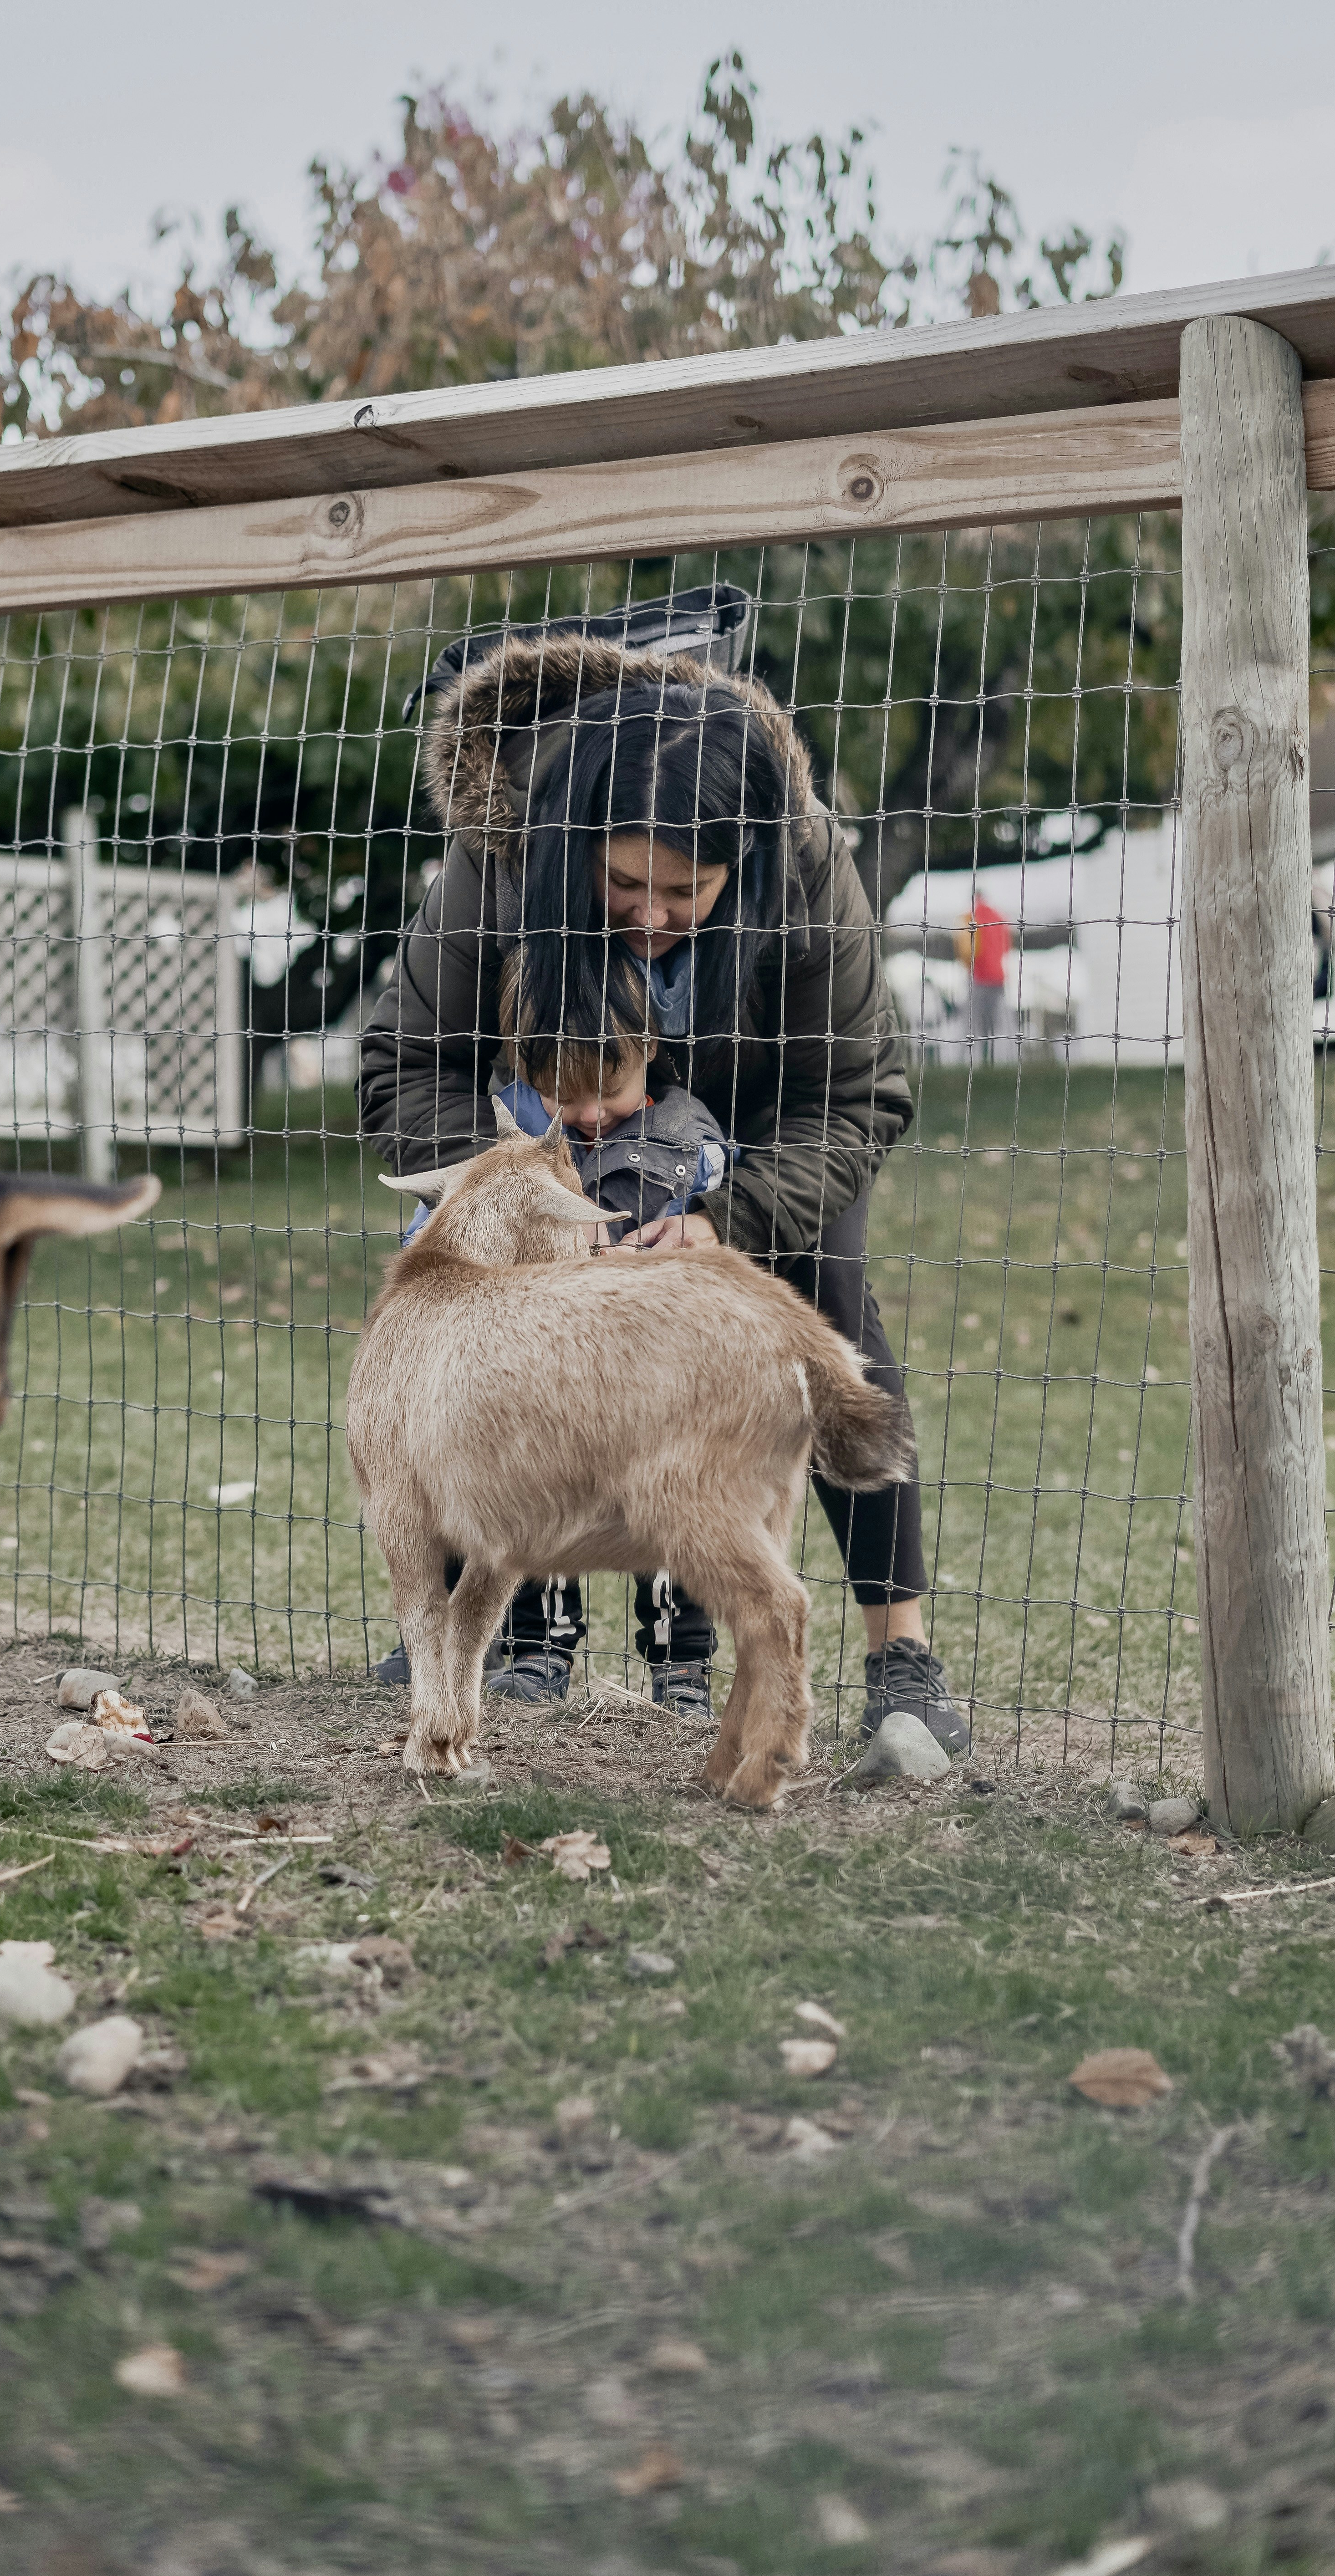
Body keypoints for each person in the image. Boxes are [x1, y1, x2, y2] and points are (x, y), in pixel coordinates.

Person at [358, 609, 970, 1752]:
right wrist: (511, 1188)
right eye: (623, 882)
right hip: (551, 1121)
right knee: (454, 1303)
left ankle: (903, 1657)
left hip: (747, 1144)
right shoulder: (499, 858)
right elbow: (404, 1065)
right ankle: (461, 1620)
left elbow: (863, 1096)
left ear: (740, 869)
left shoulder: (805, 872)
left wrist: (721, 1215)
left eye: (684, 893)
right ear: (571, 841)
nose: (648, 914)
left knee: (826, 1290)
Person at [387, 992, 733, 1708]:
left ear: (650, 1054)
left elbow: (712, 1228)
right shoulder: (507, 1137)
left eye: (605, 1090)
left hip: (647, 1370)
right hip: (541, 1370)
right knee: (537, 1500)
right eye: (559, 1095)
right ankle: (539, 1651)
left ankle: (680, 1666)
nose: (584, 1114)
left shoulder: (688, 1141)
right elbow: (445, 1222)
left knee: (666, 1509)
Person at [955, 889, 1012, 1062]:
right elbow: (1007, 947)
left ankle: (966, 1061)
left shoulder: (971, 918)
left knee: (972, 1023)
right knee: (996, 1024)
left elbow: (968, 950)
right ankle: (998, 1061)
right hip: (998, 977)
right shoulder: (999, 917)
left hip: (979, 976)